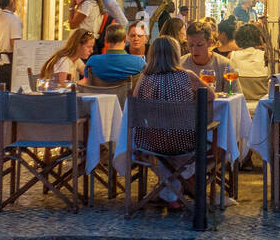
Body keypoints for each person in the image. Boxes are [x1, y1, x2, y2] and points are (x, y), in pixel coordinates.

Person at [126, 37, 215, 210]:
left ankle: (170, 195)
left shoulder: (145, 78)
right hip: (184, 141)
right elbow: (210, 96)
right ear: (176, 54)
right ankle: (182, 187)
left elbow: (135, 104)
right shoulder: (187, 76)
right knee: (211, 142)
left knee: (165, 149)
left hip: (151, 141)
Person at [80, 25, 146, 86]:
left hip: (101, 98)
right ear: (125, 39)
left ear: (105, 40)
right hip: (127, 98)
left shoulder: (92, 61)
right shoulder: (139, 62)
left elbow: (85, 82)